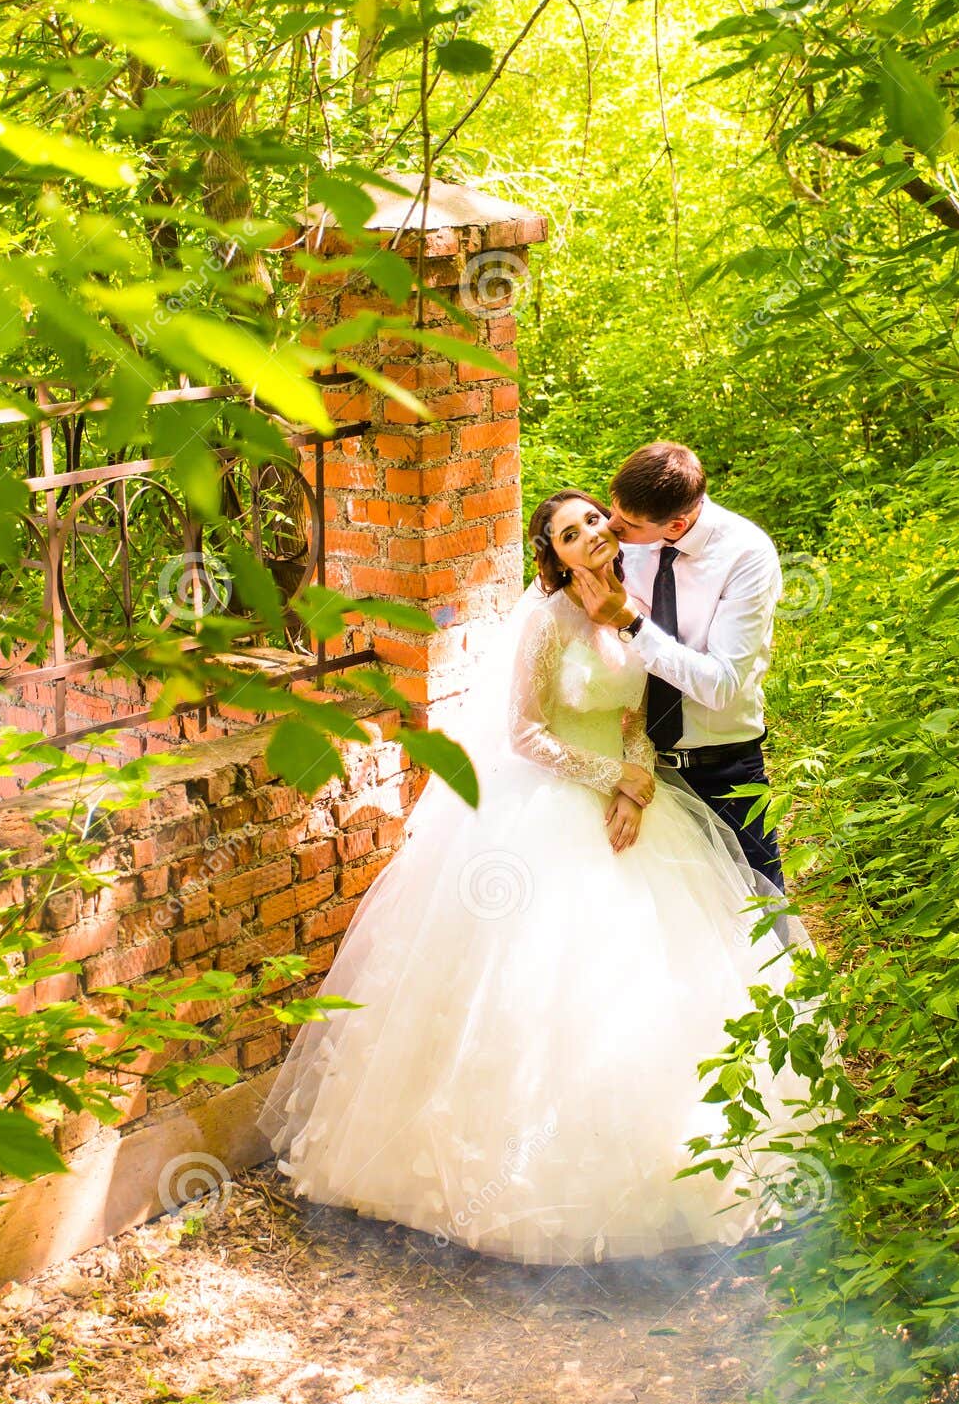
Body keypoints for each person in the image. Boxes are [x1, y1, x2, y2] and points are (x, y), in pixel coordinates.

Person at [256, 488, 817, 1267]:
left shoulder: (627, 608)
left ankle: (685, 1155)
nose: (589, 533)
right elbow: (523, 734)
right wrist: (611, 780)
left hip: (631, 802)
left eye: (593, 520)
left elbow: (633, 720)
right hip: (549, 805)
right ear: (551, 555)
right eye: (568, 532)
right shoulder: (546, 621)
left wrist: (637, 785)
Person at [568, 442, 786, 892]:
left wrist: (631, 623)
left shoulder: (746, 556)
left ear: (677, 525)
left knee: (760, 906)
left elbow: (721, 685)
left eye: (628, 524)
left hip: (722, 769)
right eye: (613, 510)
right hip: (639, 764)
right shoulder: (628, 545)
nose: (612, 526)